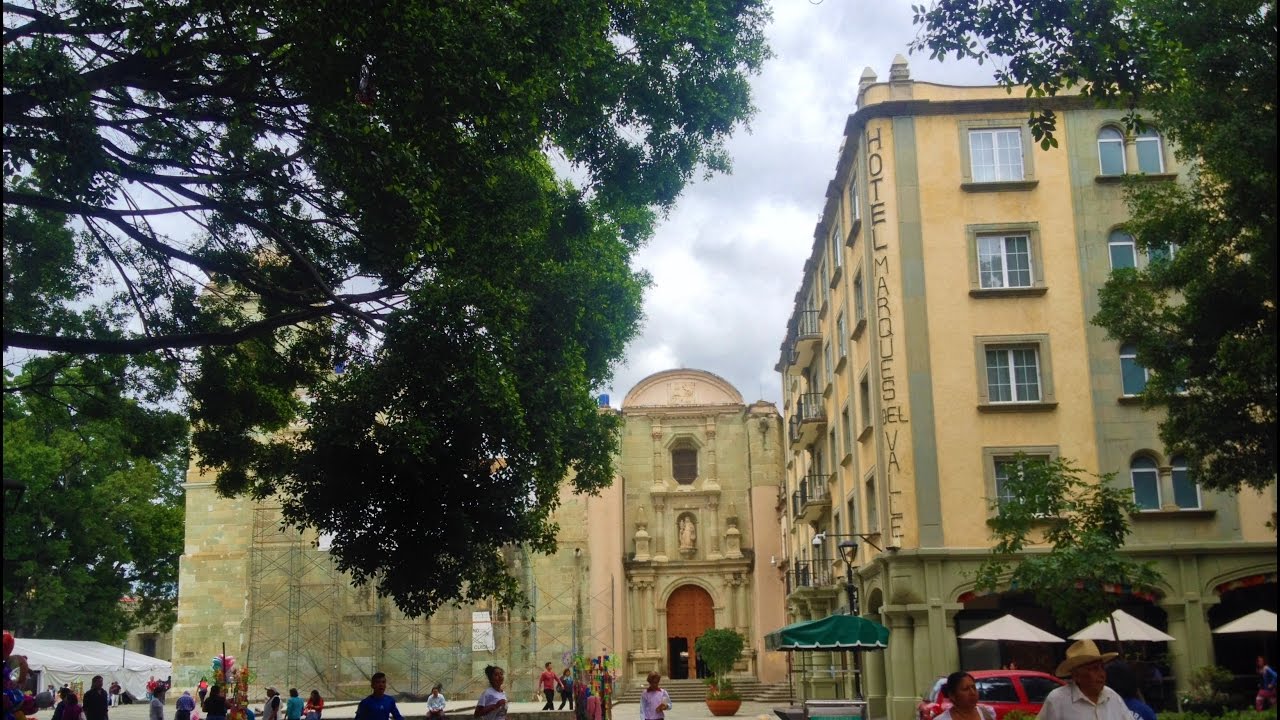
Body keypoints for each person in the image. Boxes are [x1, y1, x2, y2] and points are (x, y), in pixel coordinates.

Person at [1038, 639, 1128, 720]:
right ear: (1076, 675)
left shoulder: (1113, 697)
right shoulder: (1057, 700)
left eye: (1102, 667)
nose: (1102, 674)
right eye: (1094, 668)